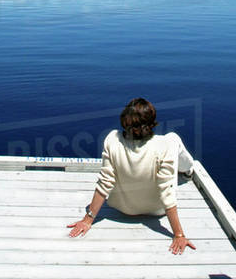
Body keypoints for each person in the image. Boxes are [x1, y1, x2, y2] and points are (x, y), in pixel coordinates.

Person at [66, 97, 197, 254]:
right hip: (157, 210)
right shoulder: (165, 145)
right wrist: (178, 234)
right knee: (174, 138)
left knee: (170, 143)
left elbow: (105, 182)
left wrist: (87, 220)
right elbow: (166, 192)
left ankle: (187, 169)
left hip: (123, 208)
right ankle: (188, 170)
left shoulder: (112, 140)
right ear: (151, 123)